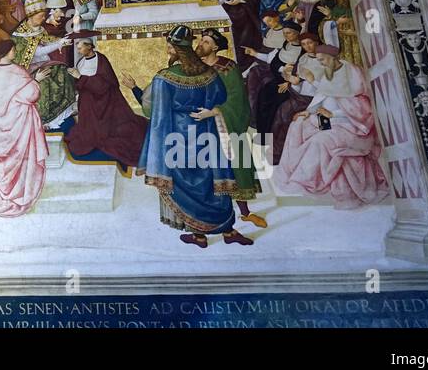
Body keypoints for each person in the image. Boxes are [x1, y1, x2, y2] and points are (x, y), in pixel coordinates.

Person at [135, 25, 254, 248]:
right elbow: (220, 95)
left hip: (176, 135)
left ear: (174, 50)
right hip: (206, 133)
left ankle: (199, 236)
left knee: (185, 183)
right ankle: (227, 231)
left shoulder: (164, 78)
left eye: (169, 47)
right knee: (211, 180)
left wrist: (155, 148)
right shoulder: (209, 74)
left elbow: (156, 114)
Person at [275, 47, 390, 208]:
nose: (321, 63)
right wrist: (308, 113)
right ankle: (294, 175)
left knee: (320, 141)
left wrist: (332, 114)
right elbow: (323, 95)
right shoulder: (329, 73)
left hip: (353, 126)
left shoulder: (351, 72)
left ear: (332, 57)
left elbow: (363, 108)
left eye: (322, 60)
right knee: (298, 126)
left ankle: (306, 181)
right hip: (329, 120)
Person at [195, 30, 267, 228]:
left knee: (232, 167)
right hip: (199, 125)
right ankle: (209, 218)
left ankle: (245, 213)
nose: (201, 44)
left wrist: (215, 111)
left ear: (215, 47)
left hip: (223, 122)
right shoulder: (194, 67)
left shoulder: (227, 67)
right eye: (201, 40)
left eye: (206, 42)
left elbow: (237, 97)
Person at [0, 38, 47, 217]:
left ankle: (2, 193)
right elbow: (32, 94)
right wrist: (36, 80)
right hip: (18, 127)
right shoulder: (17, 72)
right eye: (14, 50)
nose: (15, 52)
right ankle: (19, 192)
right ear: (9, 51)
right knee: (22, 160)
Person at [64, 34, 147, 172]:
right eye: (77, 49)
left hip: (104, 103)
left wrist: (80, 77)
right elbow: (81, 83)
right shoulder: (81, 62)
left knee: (113, 134)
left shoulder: (101, 60)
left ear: (89, 47)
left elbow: (105, 85)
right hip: (88, 102)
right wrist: (76, 80)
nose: (79, 51)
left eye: (80, 48)